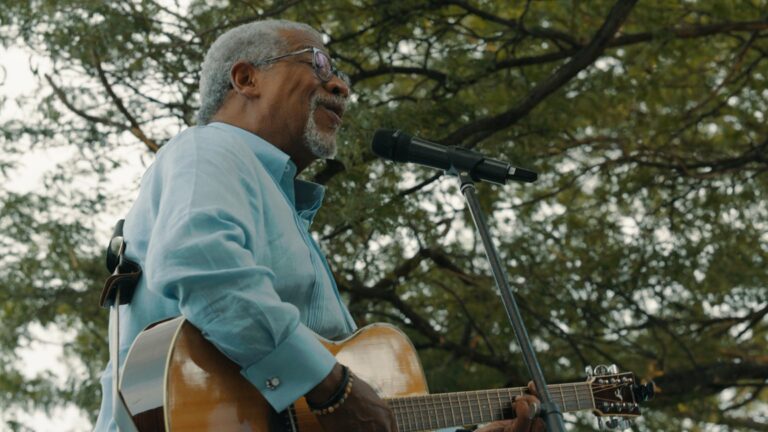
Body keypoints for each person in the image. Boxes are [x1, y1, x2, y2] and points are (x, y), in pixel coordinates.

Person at [94, 19, 544, 432]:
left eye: (341, 76)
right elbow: (198, 262)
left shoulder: (278, 206)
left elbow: (360, 416)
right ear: (246, 78)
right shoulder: (210, 150)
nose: (340, 86)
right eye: (319, 63)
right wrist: (328, 385)